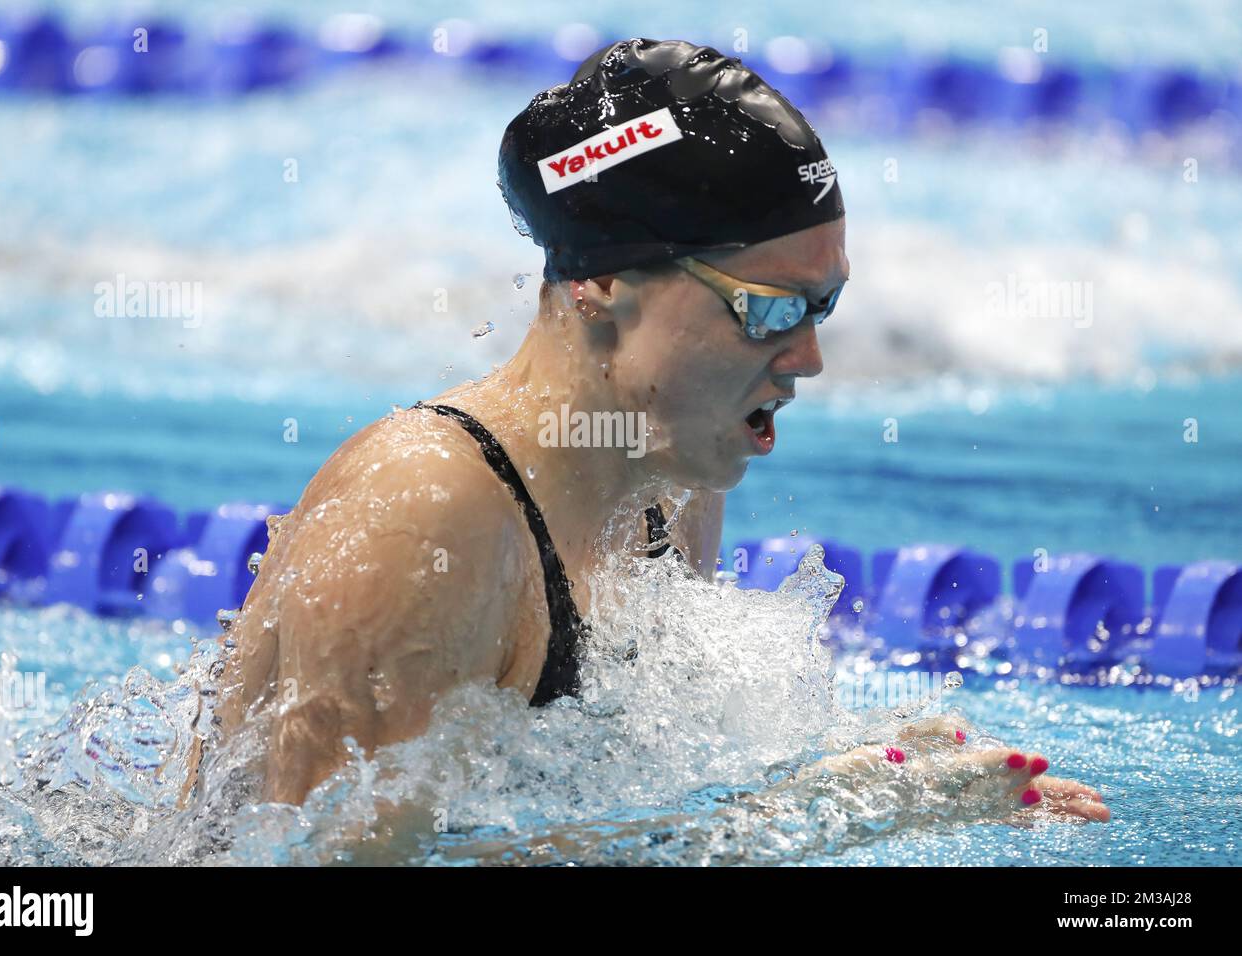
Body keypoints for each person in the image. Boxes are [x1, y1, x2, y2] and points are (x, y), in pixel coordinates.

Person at [198, 38, 1109, 825]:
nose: (809, 359)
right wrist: (815, 819)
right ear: (604, 286)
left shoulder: (673, 472)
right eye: (769, 311)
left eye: (824, 304)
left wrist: (884, 768)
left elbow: (623, 790)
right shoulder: (429, 511)